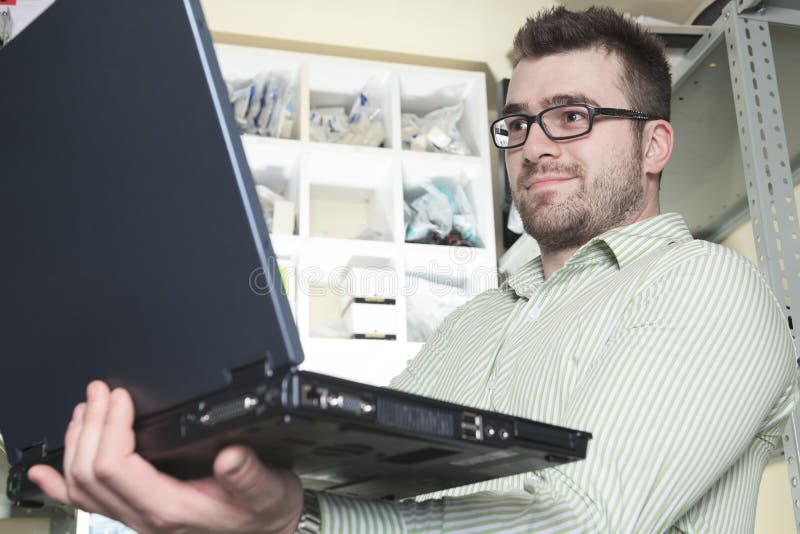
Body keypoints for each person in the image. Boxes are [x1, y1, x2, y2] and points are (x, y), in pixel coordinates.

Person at [29, 6, 798, 533]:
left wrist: (299, 518)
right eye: (518, 122)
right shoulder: (477, 319)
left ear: (654, 145)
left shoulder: (708, 285)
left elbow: (587, 520)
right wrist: (211, 467)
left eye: (573, 116)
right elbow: (369, 479)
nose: (534, 145)